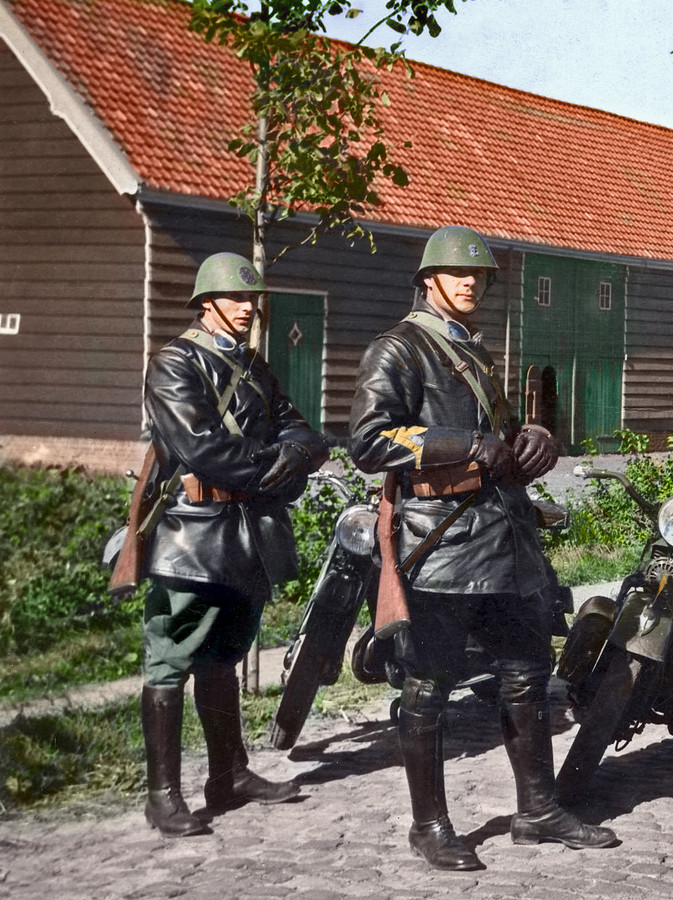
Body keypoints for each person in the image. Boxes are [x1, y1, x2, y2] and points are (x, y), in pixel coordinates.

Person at [349, 225, 616, 871]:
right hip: (440, 545)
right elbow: (368, 442)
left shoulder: (473, 350)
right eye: (456, 273)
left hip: (505, 538)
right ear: (427, 279)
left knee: (526, 679)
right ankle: (430, 825)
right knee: (429, 686)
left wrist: (535, 440)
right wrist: (464, 446)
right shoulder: (399, 350)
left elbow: (500, 436)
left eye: (479, 277)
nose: (470, 283)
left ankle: (537, 810)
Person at [130, 252, 329, 837]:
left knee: (225, 654)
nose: (248, 309)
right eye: (237, 299)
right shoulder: (173, 365)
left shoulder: (255, 368)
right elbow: (204, 450)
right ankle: (163, 795)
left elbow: (304, 430)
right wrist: (280, 462)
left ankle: (229, 774)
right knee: (170, 658)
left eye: (253, 300)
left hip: (245, 535)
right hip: (190, 535)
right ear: (206, 303)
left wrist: (294, 454)